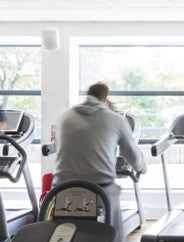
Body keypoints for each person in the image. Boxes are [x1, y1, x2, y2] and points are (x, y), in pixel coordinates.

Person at [54, 81, 147, 225]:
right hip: (100, 190)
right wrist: (141, 166)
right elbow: (131, 154)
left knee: (65, 237)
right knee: (115, 241)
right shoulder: (115, 119)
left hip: (62, 189)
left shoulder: (63, 117)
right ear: (106, 98)